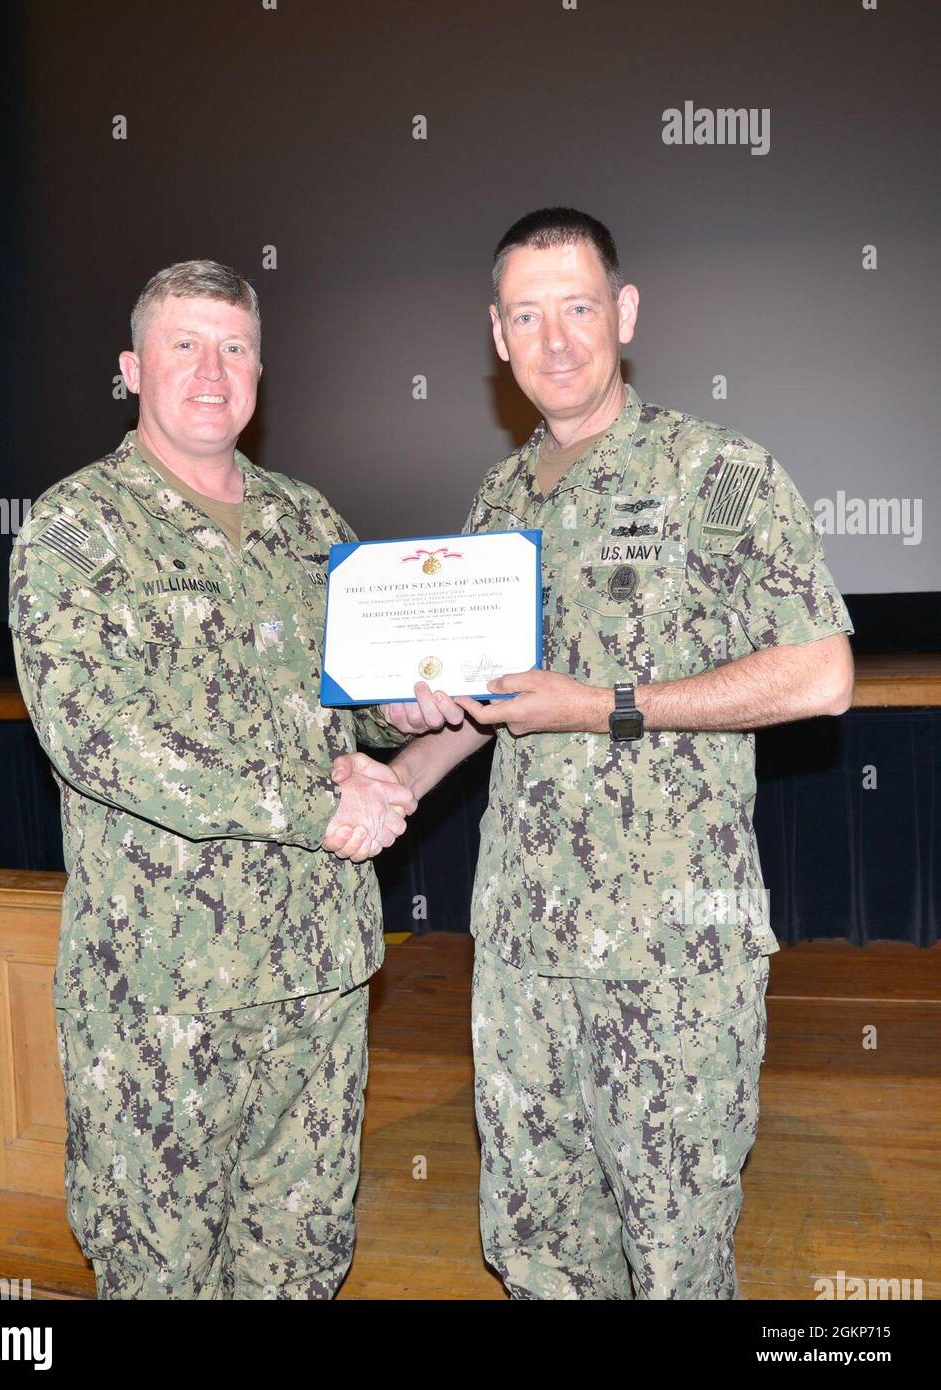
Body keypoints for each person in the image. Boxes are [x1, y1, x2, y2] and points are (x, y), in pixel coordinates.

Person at [349, 208, 855, 1299]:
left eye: (577, 307)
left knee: (672, 1257)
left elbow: (820, 675)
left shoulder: (715, 474)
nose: (556, 339)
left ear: (622, 313)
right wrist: (400, 769)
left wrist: (605, 704)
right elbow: (489, 715)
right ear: (496, 336)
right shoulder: (493, 505)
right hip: (523, 951)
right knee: (537, 1249)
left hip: (669, 958)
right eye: (527, 316)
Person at [9, 259, 413, 1299]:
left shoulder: (307, 520)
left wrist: (403, 705)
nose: (209, 369)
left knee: (301, 1262)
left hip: (317, 976)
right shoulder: (74, 527)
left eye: (233, 347)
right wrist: (316, 806)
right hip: (163, 994)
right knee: (159, 1272)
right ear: (131, 367)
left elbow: (353, 694)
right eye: (183, 344)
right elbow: (97, 739)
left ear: (259, 372)